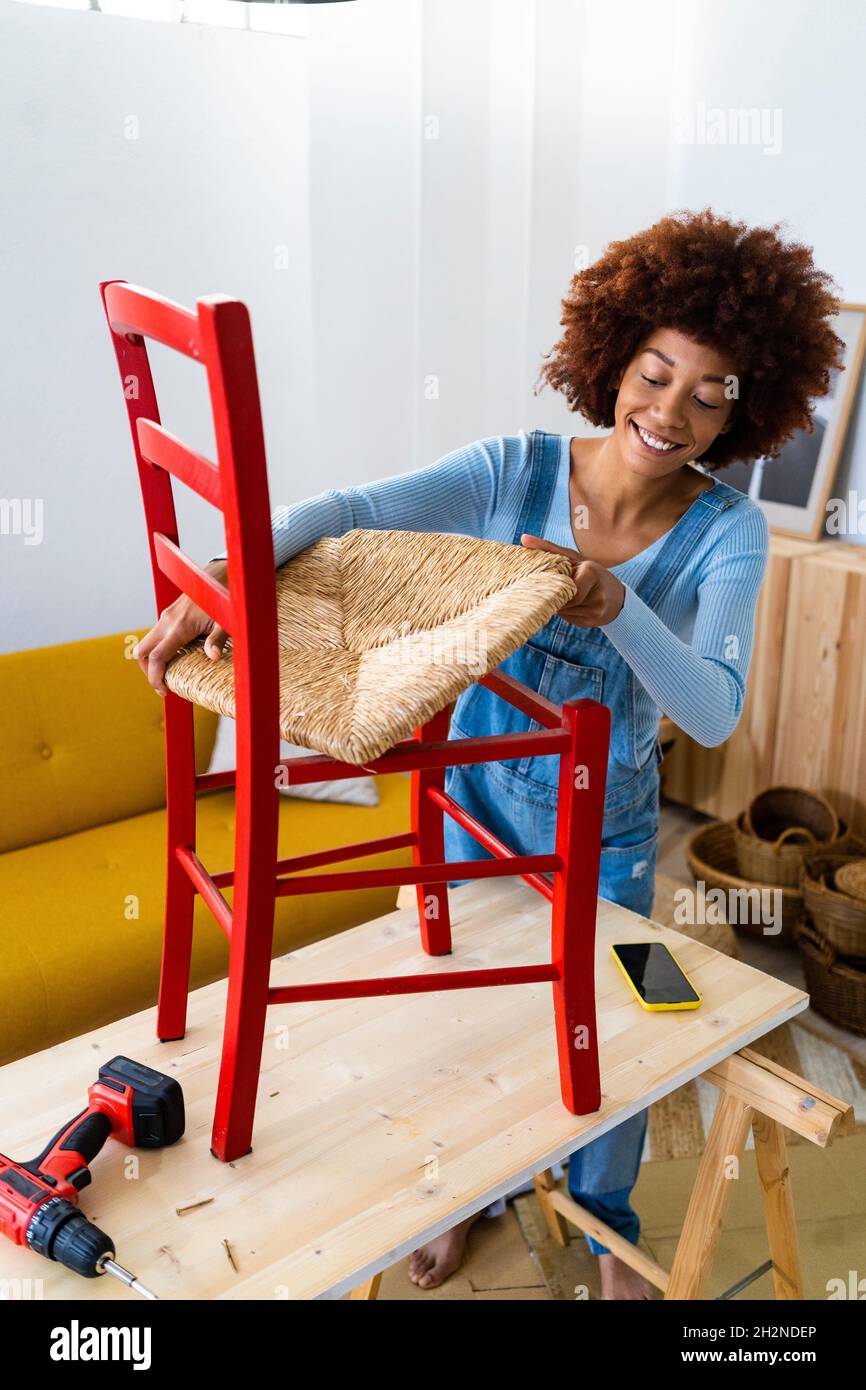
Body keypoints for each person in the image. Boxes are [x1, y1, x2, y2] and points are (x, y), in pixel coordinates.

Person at [132, 207, 844, 1299]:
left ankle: (605, 1229)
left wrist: (610, 602)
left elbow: (708, 711)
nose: (671, 412)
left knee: (617, 1014)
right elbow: (349, 512)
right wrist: (215, 580)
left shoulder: (726, 533)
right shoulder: (513, 468)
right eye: (654, 374)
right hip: (468, 805)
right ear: (612, 360)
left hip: (601, 832)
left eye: (711, 394)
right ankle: (464, 1194)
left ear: (745, 413)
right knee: (465, 1011)